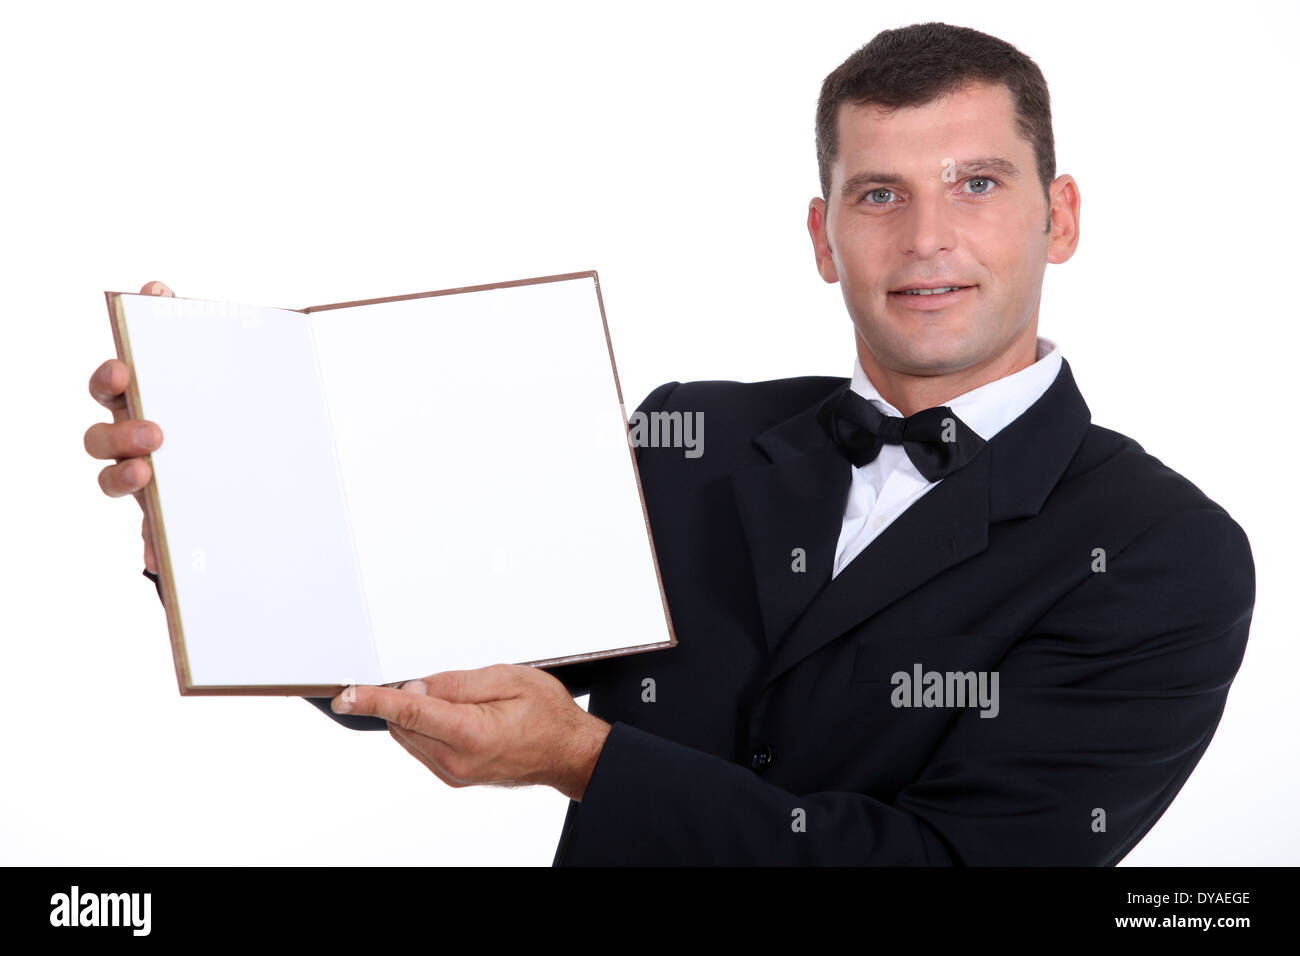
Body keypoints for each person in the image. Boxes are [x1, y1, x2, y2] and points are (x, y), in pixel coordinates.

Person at [86, 22, 1255, 865]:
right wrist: (212, 518)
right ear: (821, 234)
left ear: (1059, 218)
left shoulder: (1168, 552)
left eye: (977, 183)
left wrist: (587, 759)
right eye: (878, 194)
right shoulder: (694, 431)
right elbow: (421, 648)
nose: (927, 236)